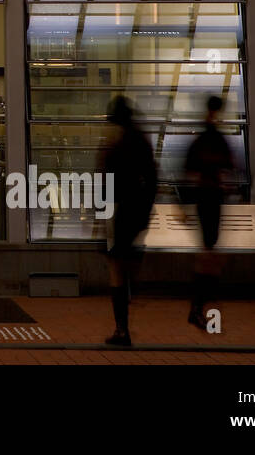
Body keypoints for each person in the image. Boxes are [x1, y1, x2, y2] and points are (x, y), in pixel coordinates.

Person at [99, 96, 157, 347]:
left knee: (115, 268)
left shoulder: (114, 143)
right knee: (126, 261)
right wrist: (146, 208)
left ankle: (122, 328)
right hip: (137, 210)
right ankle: (132, 290)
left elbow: (105, 183)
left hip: (118, 210)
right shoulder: (141, 140)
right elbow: (152, 177)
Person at [183, 95, 234, 330]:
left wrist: (183, 205)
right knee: (209, 252)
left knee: (209, 251)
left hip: (205, 199)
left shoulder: (203, 140)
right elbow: (229, 168)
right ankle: (199, 304)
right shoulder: (216, 140)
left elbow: (188, 171)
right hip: (212, 199)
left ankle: (200, 303)